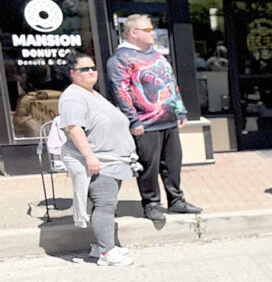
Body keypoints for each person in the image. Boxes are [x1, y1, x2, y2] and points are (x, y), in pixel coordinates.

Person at [106, 14, 202, 223]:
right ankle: (151, 204)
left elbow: (170, 81)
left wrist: (180, 110)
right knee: (149, 166)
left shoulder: (156, 55)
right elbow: (121, 91)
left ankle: (176, 200)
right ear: (134, 33)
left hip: (168, 120)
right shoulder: (121, 59)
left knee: (173, 163)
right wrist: (133, 120)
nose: (153, 33)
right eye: (148, 30)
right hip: (146, 124)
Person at [58, 52, 140, 266]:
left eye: (93, 67)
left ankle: (101, 246)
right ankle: (106, 253)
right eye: (85, 69)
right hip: (98, 161)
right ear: (72, 73)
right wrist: (89, 156)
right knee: (104, 204)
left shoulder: (90, 93)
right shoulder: (73, 96)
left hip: (112, 159)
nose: (92, 71)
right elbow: (74, 127)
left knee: (106, 204)